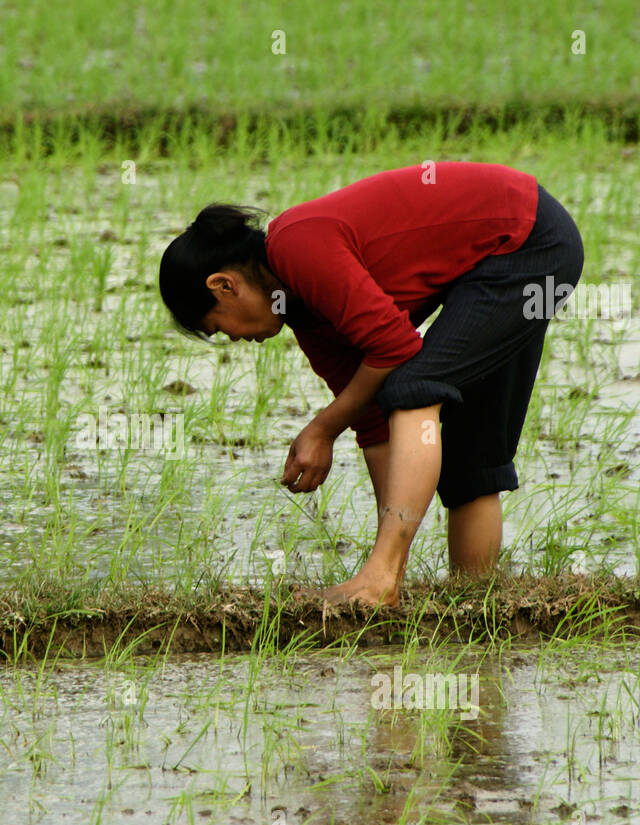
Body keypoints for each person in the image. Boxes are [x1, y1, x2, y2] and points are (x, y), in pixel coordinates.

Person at [157, 161, 584, 608]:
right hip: (517, 250)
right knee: (472, 463)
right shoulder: (310, 321)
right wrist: (394, 551)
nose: (236, 339)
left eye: (219, 327)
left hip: (527, 240)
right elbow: (375, 421)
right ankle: (474, 610)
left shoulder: (297, 245)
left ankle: (380, 580)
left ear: (224, 286)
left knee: (416, 386)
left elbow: (396, 350)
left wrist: (322, 429)